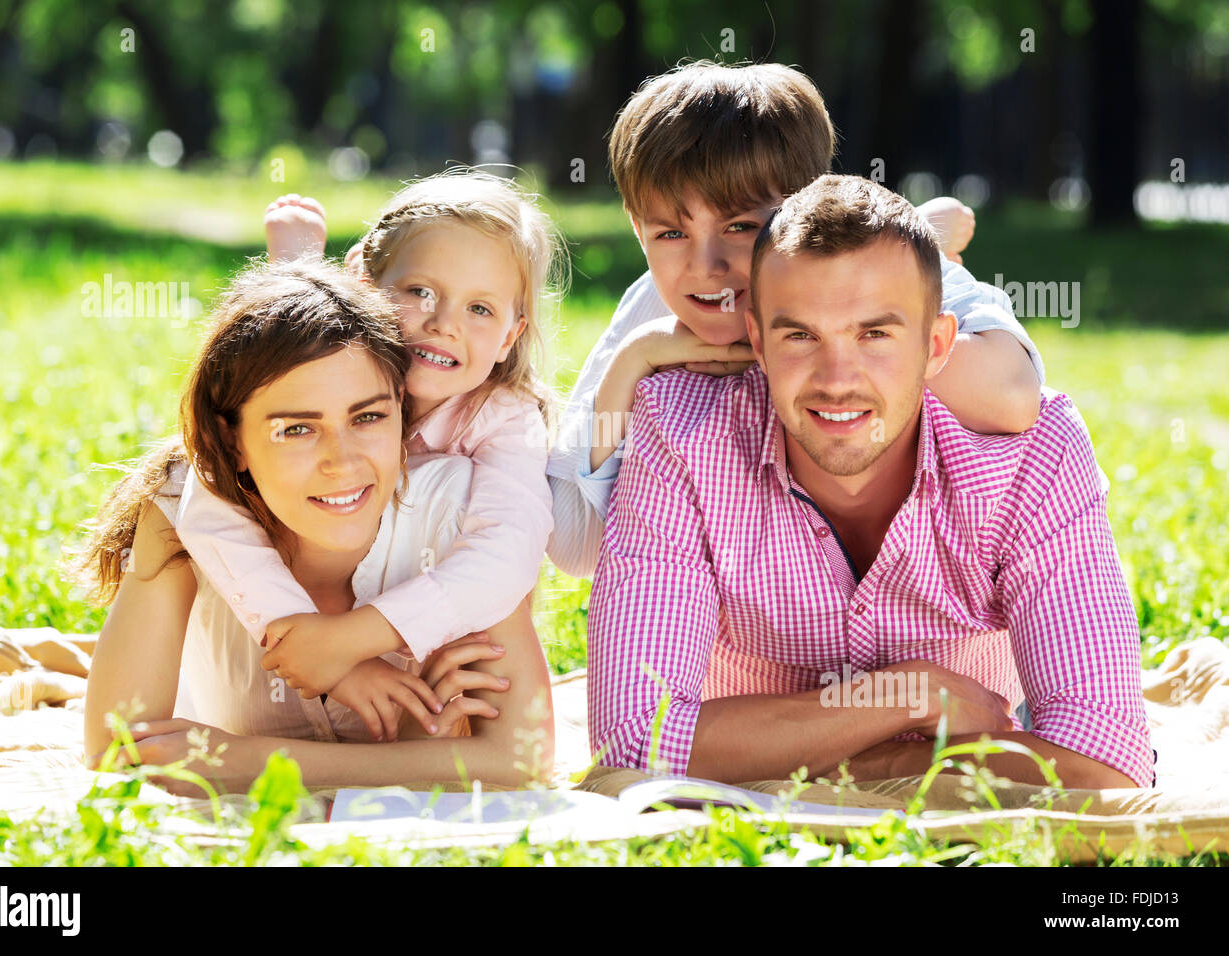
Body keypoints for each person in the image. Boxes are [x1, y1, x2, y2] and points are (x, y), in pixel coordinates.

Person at [587, 175, 1154, 791]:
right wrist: (907, 697)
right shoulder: (680, 435)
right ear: (757, 340)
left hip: (753, 765)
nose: (837, 379)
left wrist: (880, 766)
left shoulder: (1034, 454)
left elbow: (1108, 760)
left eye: (874, 335)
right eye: (800, 335)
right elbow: (635, 740)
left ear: (937, 344)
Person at [546, 60, 1044, 579]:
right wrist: (632, 361)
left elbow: (1013, 399)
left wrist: (878, 326)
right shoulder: (653, 307)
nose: (704, 267)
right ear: (636, 226)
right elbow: (576, 543)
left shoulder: (899, 270)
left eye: (739, 226)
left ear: (809, 208)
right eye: (671, 233)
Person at [75, 260, 554, 791]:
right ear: (232, 441)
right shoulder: (181, 510)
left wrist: (256, 764)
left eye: (367, 417)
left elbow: (521, 763)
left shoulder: (464, 517)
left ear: (401, 408)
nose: (342, 463)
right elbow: (121, 753)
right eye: (298, 429)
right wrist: (431, 760)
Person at [158, 170, 562, 717]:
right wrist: (309, 639)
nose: (444, 324)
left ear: (511, 336)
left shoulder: (505, 420)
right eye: (420, 292)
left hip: (433, 655)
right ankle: (297, 274)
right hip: (286, 654)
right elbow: (212, 500)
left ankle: (298, 271)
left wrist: (355, 639)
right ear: (367, 289)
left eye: (480, 309)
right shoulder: (331, 365)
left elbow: (503, 557)